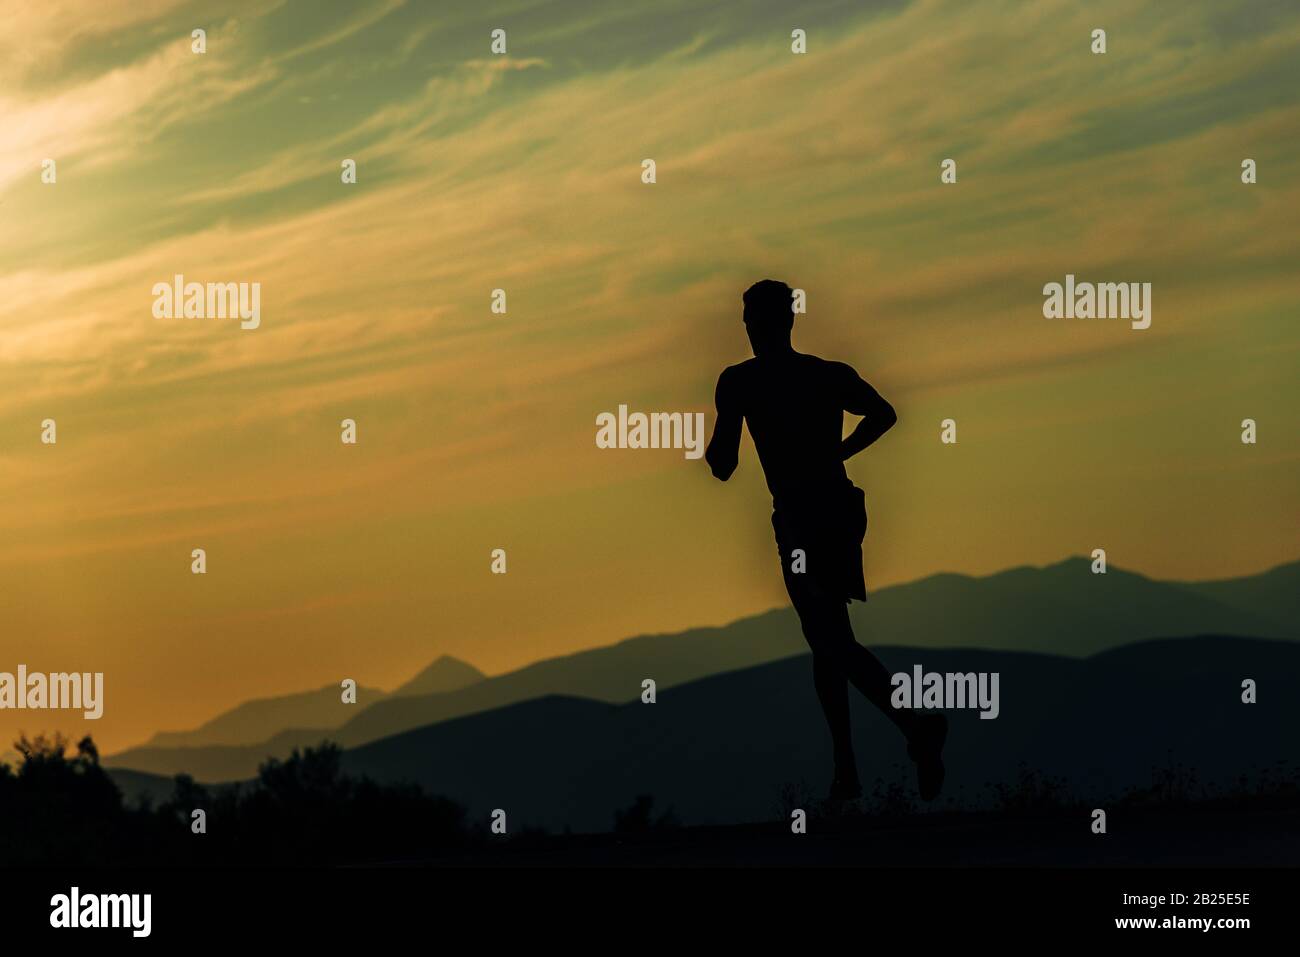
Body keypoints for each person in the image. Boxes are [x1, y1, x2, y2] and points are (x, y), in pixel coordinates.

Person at [704, 279, 947, 801]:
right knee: (825, 639)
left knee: (829, 638)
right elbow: (883, 414)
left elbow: (722, 465)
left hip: (803, 517)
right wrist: (838, 453)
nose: (752, 328)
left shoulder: (743, 382)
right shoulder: (822, 376)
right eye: (748, 318)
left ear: (779, 322)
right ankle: (848, 773)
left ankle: (914, 727)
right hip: (833, 509)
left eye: (756, 318)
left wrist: (828, 452)